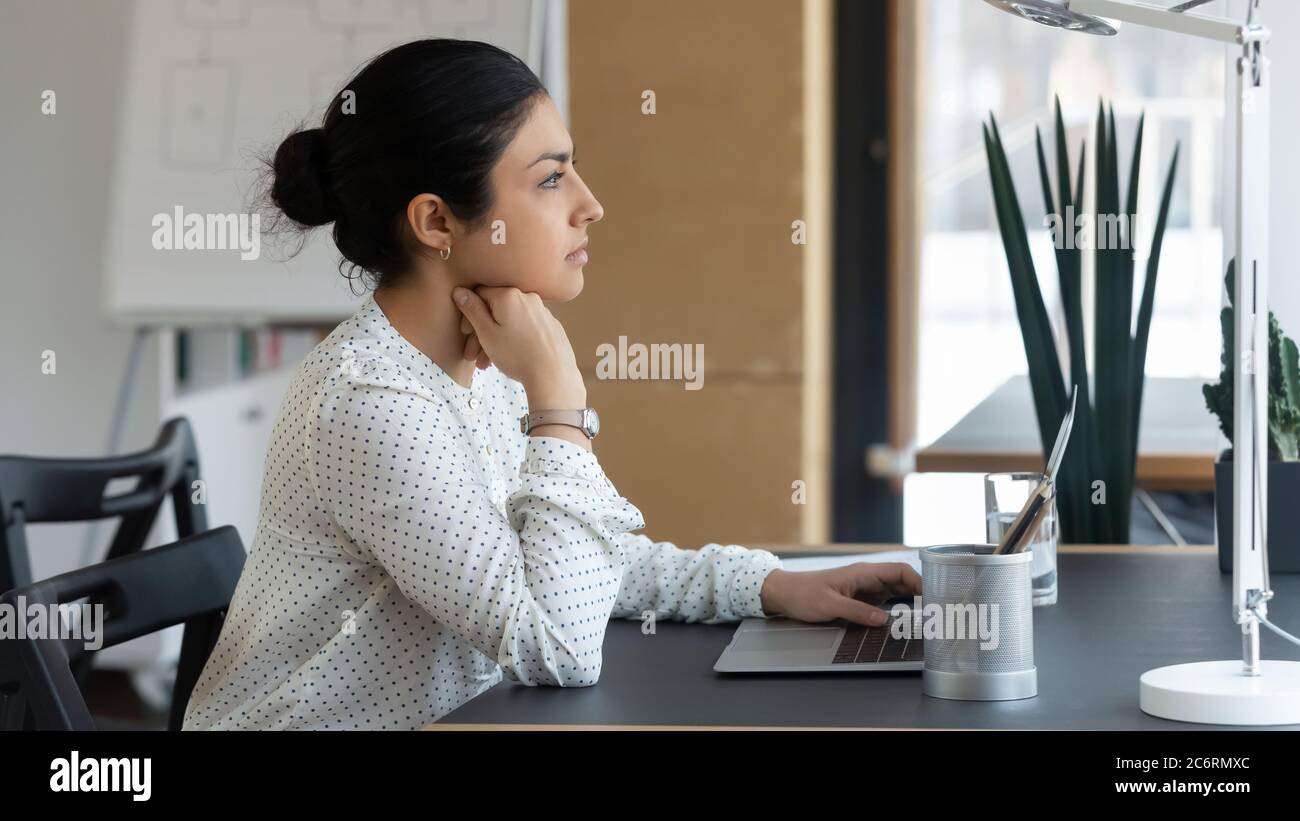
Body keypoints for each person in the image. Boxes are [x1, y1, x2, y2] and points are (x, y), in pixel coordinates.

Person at [182, 38, 920, 730]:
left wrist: (769, 586)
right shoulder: (372, 402)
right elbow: (558, 646)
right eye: (550, 178)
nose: (588, 204)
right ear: (437, 220)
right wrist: (557, 402)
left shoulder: (479, 361)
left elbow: (577, 568)